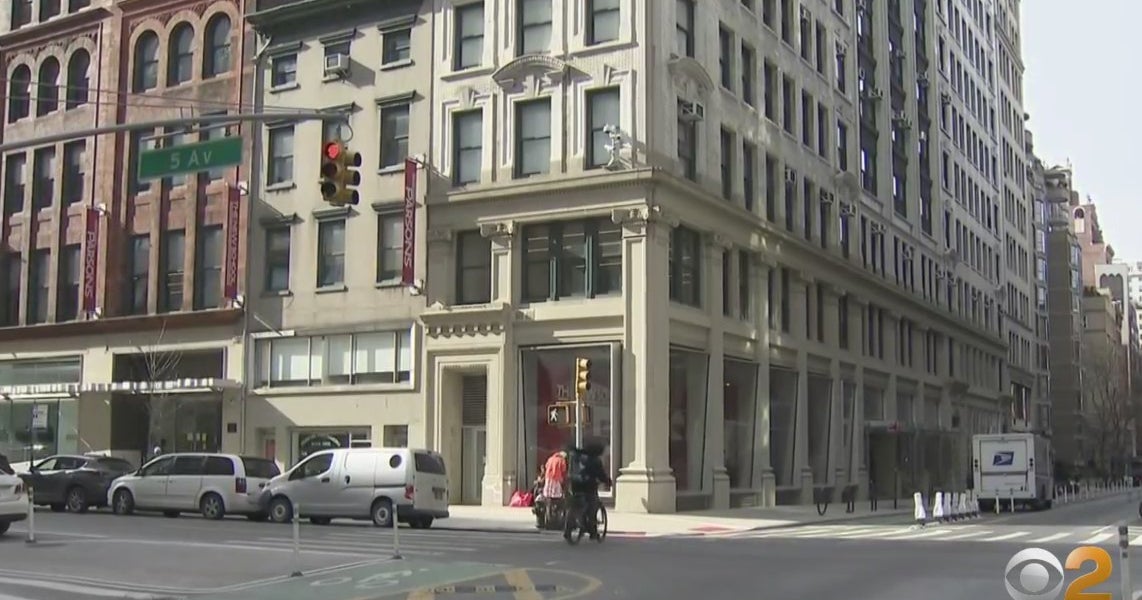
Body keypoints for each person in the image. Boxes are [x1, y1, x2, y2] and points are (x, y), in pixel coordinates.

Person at [566, 441, 612, 540]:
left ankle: (569, 527)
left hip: (575, 484)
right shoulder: (595, 460)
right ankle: (592, 531)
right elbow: (601, 474)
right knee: (593, 506)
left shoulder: (576, 456)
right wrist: (607, 481)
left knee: (576, 504)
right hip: (588, 485)